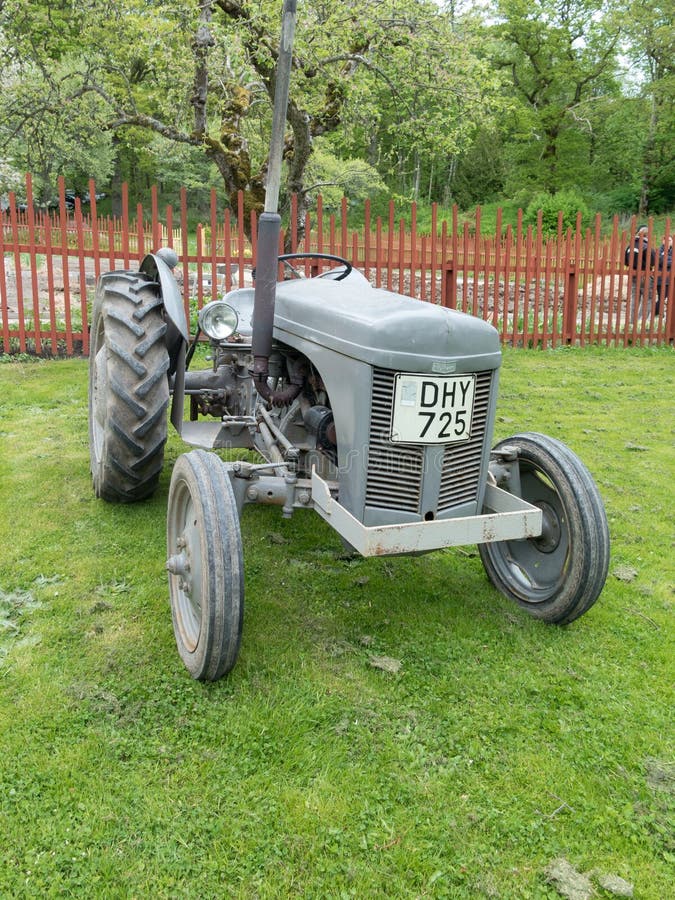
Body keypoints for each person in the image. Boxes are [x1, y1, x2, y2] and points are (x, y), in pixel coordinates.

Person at [624, 225, 655, 323]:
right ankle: (641, 321)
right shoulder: (646, 246)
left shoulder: (630, 245)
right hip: (645, 276)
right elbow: (653, 261)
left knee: (635, 299)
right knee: (648, 299)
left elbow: (625, 262)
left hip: (633, 275)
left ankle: (632, 322)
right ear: (646, 235)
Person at [655, 234, 672, 317]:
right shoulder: (660, 250)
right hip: (661, 280)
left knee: (666, 298)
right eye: (667, 240)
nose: (668, 242)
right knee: (662, 298)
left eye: (670, 240)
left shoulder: (672, 250)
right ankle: (655, 312)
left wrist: (669, 259)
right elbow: (663, 262)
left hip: (670, 279)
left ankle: (660, 315)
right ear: (663, 241)